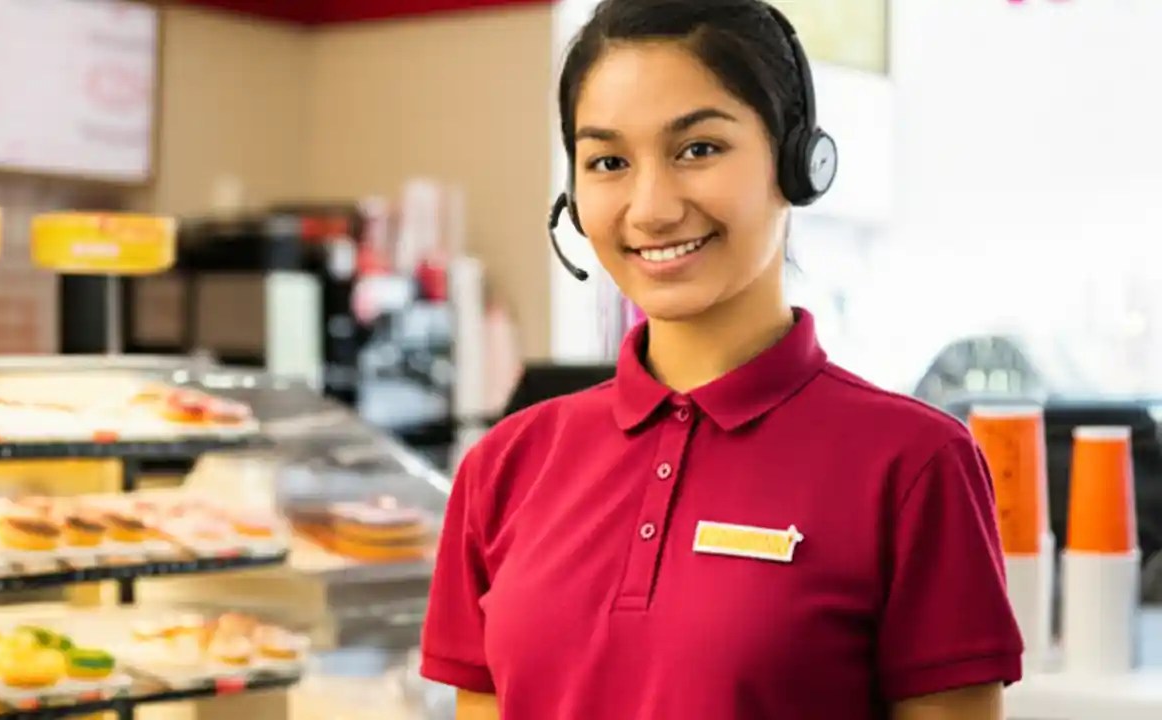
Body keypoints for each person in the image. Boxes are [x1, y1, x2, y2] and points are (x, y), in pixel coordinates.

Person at [420, 1, 1024, 718]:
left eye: (698, 149)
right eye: (608, 162)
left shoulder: (917, 464)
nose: (650, 208)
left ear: (798, 161)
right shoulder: (504, 466)